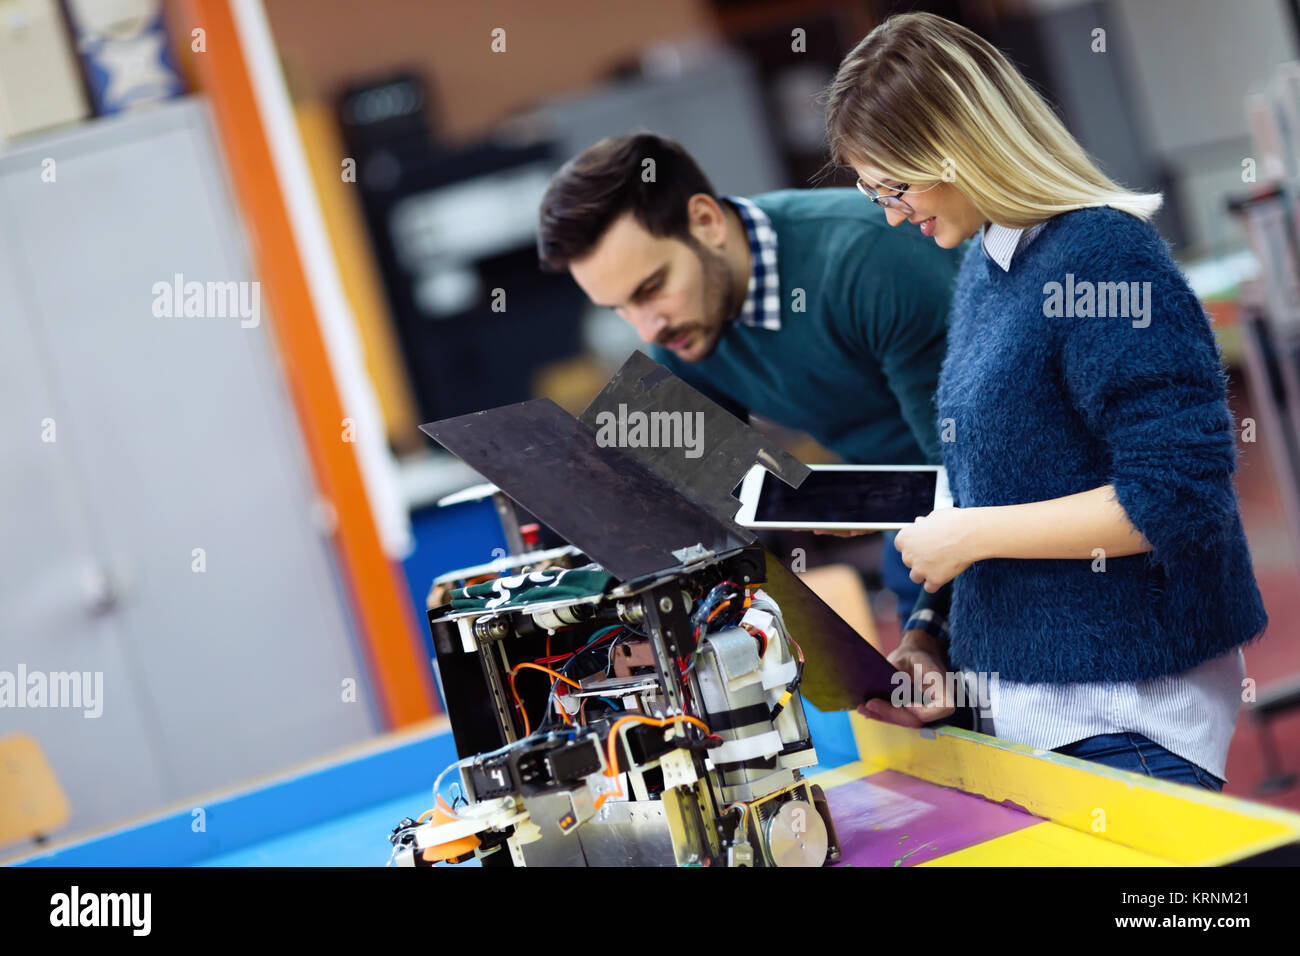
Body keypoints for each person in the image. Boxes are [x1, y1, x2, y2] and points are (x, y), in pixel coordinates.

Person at [822, 11, 1268, 791]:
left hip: (1125, 715)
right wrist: (932, 637)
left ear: (957, 149)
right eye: (873, 194)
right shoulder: (988, 265)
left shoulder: (1103, 256)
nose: (892, 212)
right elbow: (995, 487)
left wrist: (969, 536)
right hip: (1029, 706)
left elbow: (1174, 499)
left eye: (897, 185)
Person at [536, 133, 965, 761]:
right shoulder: (680, 342)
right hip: (921, 552)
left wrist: (929, 627)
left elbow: (972, 482)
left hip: (1011, 537)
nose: (647, 326)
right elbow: (708, 541)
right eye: (619, 308)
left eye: (652, 286)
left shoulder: (869, 258)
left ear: (706, 221)